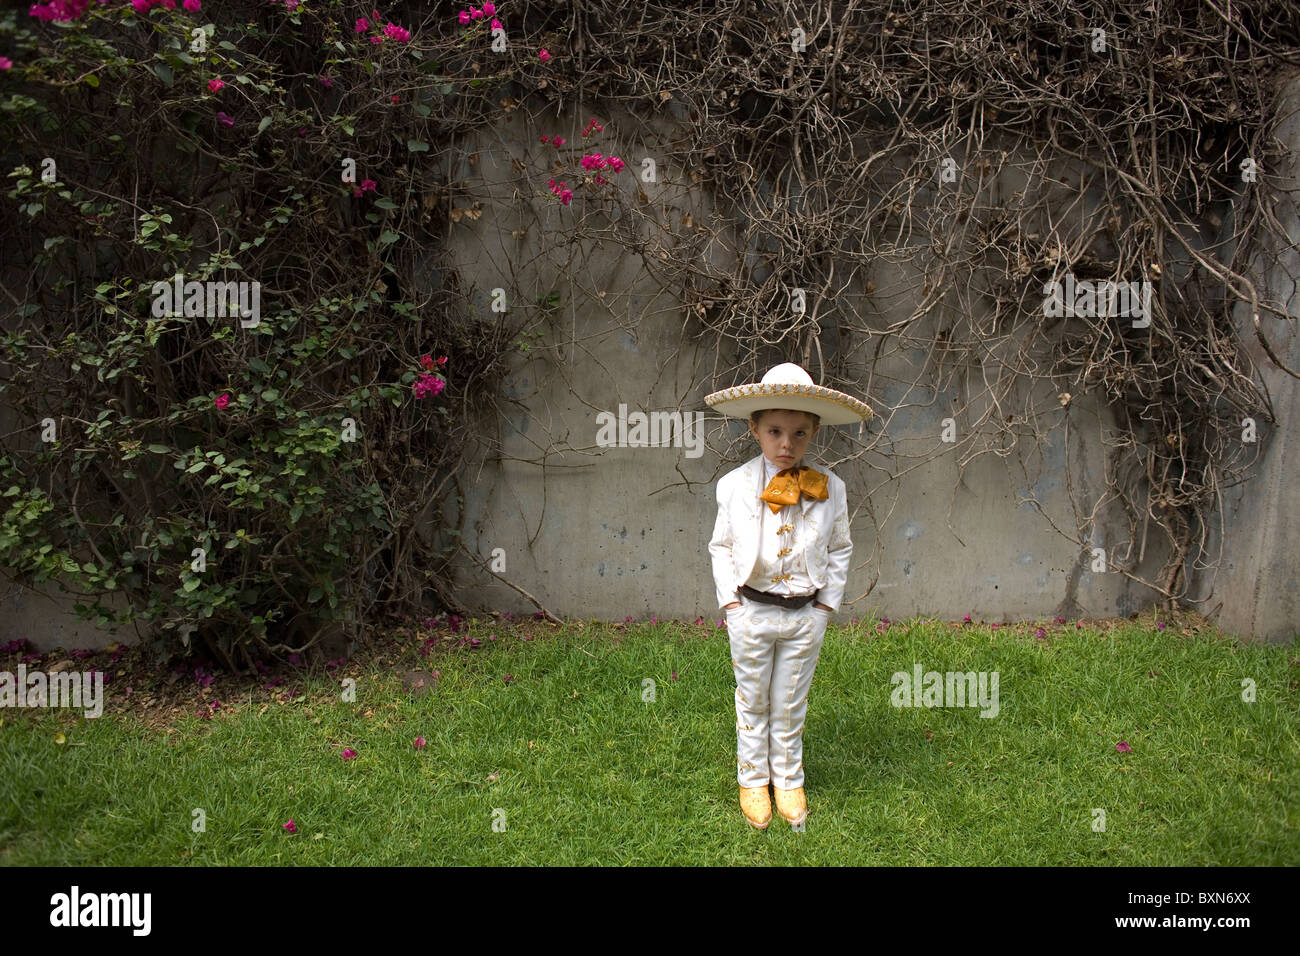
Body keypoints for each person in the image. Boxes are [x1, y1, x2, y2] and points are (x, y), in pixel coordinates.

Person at [705, 362, 873, 829]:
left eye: (799, 433)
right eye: (775, 430)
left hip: (804, 615)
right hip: (751, 609)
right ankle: (753, 777)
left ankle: (788, 777)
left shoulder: (831, 489)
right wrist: (732, 606)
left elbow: (840, 547)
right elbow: (720, 546)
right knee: (753, 696)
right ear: (754, 428)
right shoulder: (733, 487)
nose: (786, 444)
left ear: (814, 431)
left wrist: (824, 606)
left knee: (791, 698)